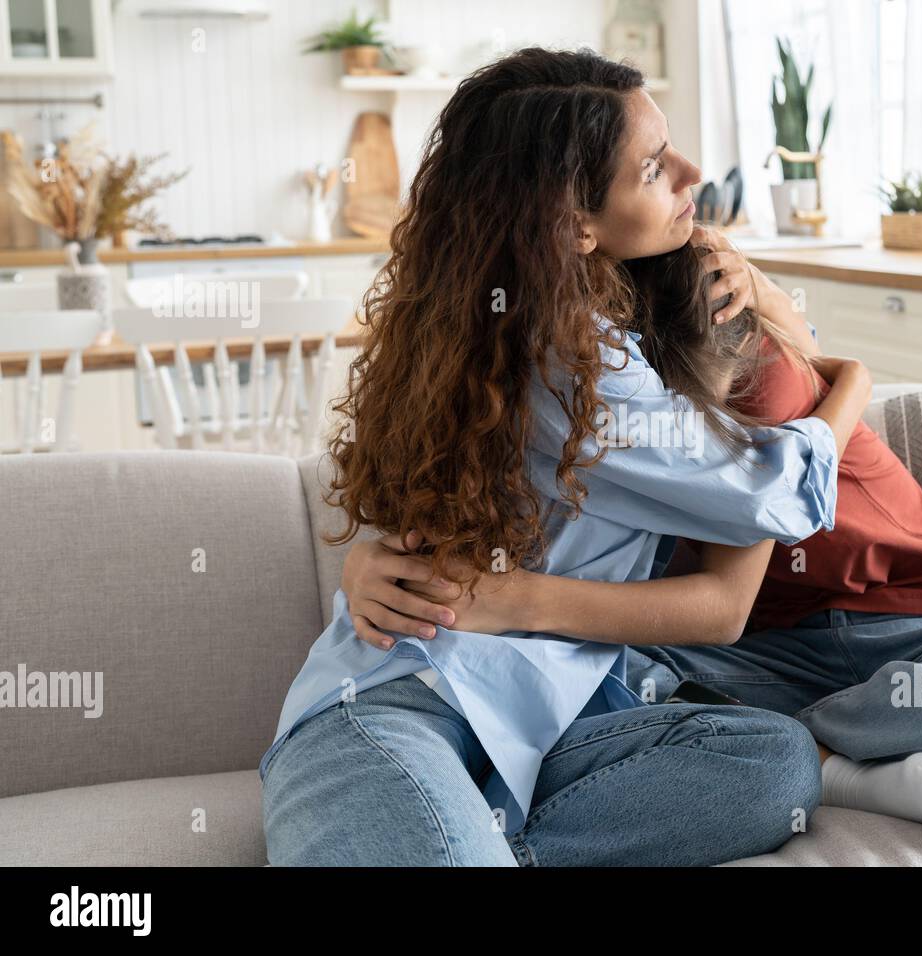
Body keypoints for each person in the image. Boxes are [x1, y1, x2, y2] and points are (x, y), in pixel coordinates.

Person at [261, 47, 875, 867]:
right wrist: (859, 381)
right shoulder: (570, 359)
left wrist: (764, 296)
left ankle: (491, 840)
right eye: (654, 168)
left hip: (557, 728)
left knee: (770, 763)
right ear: (573, 223)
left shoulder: (539, 329)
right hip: (402, 705)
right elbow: (770, 489)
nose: (693, 173)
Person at [352, 238, 922, 842]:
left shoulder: (731, 348)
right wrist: (372, 567)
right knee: (559, 678)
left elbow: (747, 542)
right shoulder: (585, 383)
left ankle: (820, 754)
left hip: (920, 625)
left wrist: (839, 370)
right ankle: (829, 757)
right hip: (748, 659)